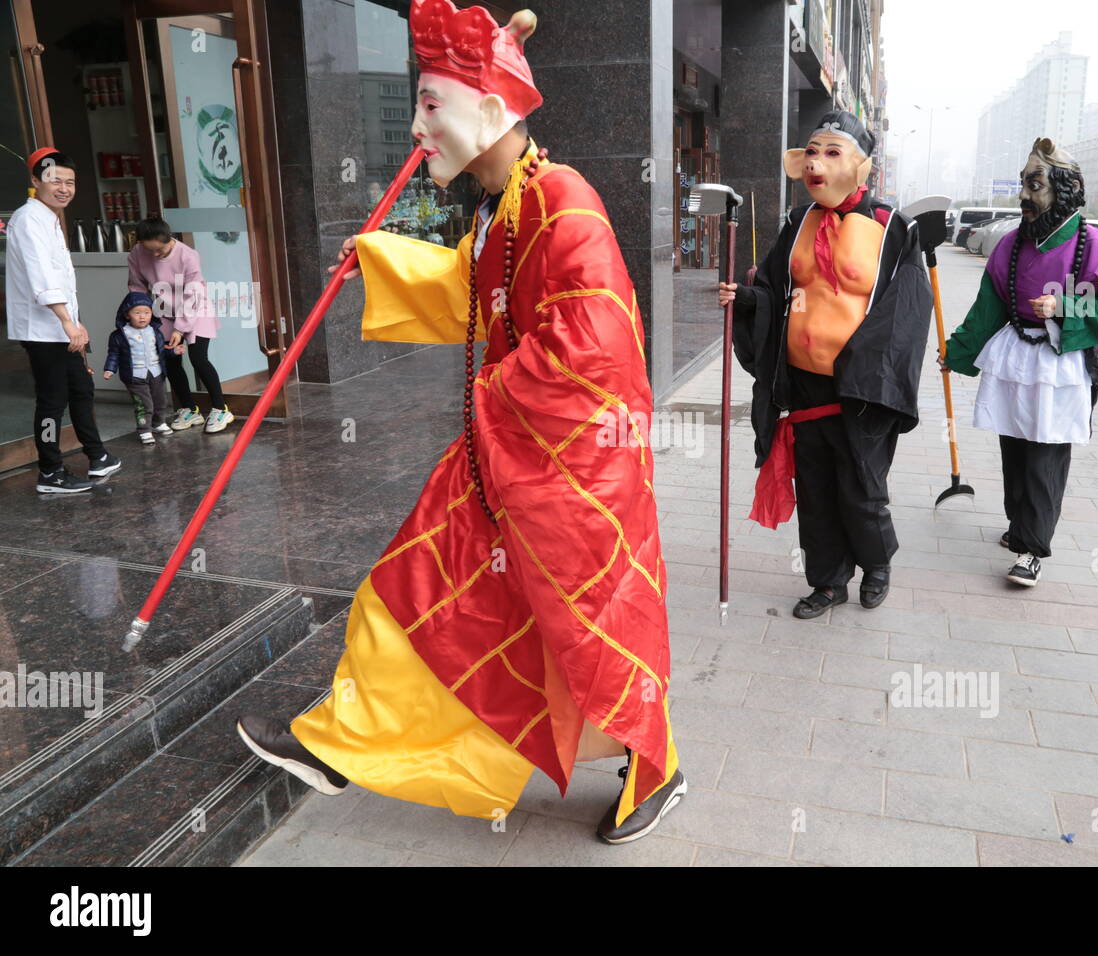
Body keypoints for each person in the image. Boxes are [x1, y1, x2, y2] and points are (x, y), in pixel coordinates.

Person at [237, 1, 683, 846]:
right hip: (505, 461)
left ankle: (653, 768)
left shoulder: (565, 200)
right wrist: (378, 261)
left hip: (572, 476)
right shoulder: (500, 205)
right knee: (411, 588)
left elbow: (596, 344)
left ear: (490, 110)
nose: (416, 127)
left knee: (587, 636)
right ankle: (341, 742)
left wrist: (498, 399)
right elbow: (476, 302)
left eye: (431, 106)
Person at [719, 111, 932, 620]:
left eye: (831, 153)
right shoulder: (795, 224)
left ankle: (876, 565)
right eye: (811, 152)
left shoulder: (892, 229)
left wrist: (870, 372)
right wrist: (747, 298)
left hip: (863, 391)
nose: (816, 163)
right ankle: (829, 582)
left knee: (861, 489)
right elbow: (775, 287)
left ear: (860, 166)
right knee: (814, 490)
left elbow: (907, 314)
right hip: (804, 387)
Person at [940, 138, 1098, 586]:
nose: (1024, 195)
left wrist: (1062, 309)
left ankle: (1033, 548)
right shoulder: (1010, 245)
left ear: (1064, 189)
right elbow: (988, 307)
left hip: (1061, 364)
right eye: (1024, 184)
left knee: (1045, 455)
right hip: (1016, 359)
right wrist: (957, 350)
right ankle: (1018, 526)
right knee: (1015, 451)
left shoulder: (1093, 245)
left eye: (1034, 185)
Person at [6, 148, 121, 493]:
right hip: (43, 329)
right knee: (53, 399)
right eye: (55, 180)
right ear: (35, 181)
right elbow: (43, 278)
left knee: (82, 389)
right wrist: (68, 322)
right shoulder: (28, 220)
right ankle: (50, 472)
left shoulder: (49, 217)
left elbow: (63, 280)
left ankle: (97, 455)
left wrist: (76, 322)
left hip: (62, 325)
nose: (64, 188)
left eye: (69, 182)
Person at [126, 216, 232, 434]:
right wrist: (140, 315)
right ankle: (190, 409)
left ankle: (221, 409)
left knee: (198, 358)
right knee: (171, 361)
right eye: (150, 250)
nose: (155, 255)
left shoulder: (188, 256)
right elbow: (137, 286)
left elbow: (194, 294)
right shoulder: (137, 253)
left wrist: (180, 328)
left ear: (169, 239)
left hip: (195, 309)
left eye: (160, 250)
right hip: (163, 311)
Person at [103, 291, 174, 445]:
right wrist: (110, 369)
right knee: (144, 404)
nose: (142, 316)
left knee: (160, 400)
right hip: (135, 376)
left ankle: (158, 422)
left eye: (146, 312)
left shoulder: (155, 332)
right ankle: (144, 430)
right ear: (127, 314)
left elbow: (161, 350)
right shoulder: (119, 335)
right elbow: (114, 354)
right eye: (137, 312)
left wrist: (174, 351)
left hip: (155, 372)